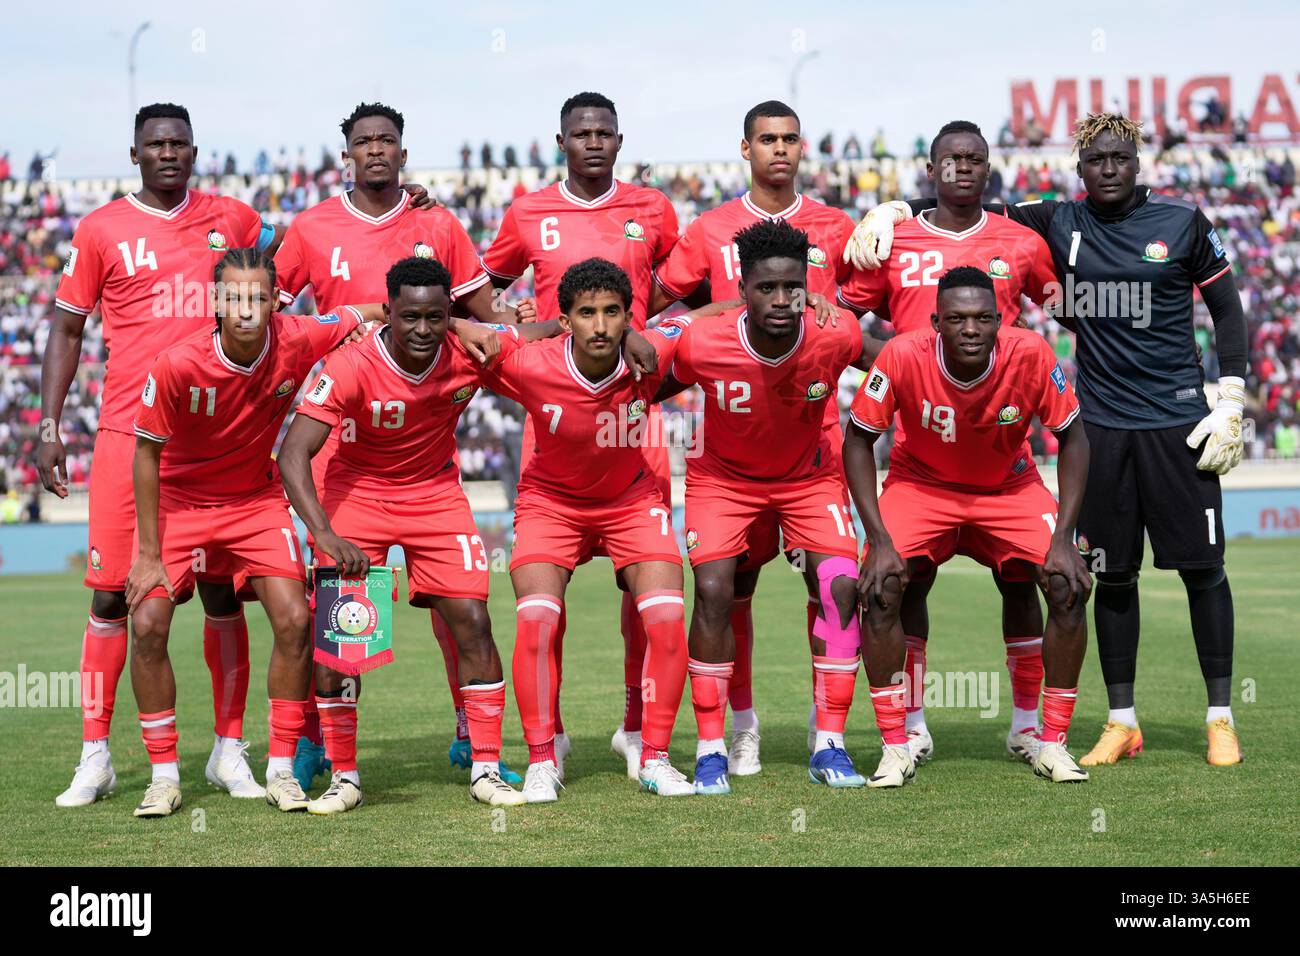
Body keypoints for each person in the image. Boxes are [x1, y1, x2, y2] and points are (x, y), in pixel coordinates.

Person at [846, 113, 1251, 767]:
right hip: (1028, 439)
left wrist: (1230, 396)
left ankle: (1204, 718)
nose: (1108, 168)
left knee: (1175, 572)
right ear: (1080, 168)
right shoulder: (1053, 221)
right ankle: (1108, 721)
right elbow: (952, 206)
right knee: (1104, 576)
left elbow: (1224, 308)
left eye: (1119, 157)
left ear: (1137, 160)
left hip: (1153, 422)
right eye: (1095, 160)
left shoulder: (1160, 223)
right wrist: (894, 211)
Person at [38, 103, 279, 808]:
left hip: (222, 440)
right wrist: (50, 425)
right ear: (135, 153)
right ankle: (95, 756)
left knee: (221, 593)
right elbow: (66, 327)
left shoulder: (234, 220)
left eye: (180, 144)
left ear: (196, 151)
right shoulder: (102, 228)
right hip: (129, 435)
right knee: (115, 595)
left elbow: (293, 253)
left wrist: (395, 200)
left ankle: (229, 752)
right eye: (156, 145)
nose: (169, 153)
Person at [273, 101, 518, 788]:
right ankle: (317, 742)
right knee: (339, 614)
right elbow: (267, 300)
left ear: (403, 152)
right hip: (341, 438)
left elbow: (481, 315)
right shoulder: (312, 226)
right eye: (363, 142)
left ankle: (473, 729)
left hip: (424, 433)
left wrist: (512, 323)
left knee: (456, 608)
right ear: (345, 153)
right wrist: (334, 332)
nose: (375, 150)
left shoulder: (436, 222)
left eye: (387, 141)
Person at [123, 248, 381, 816]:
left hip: (255, 501)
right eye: (234, 298)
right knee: (145, 623)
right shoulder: (177, 364)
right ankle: (164, 775)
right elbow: (145, 454)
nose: (246, 309)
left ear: (274, 302)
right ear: (216, 301)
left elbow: (369, 313)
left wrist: (462, 321)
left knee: (294, 618)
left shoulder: (299, 336)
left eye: (258, 298)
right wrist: (146, 554)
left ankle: (282, 770)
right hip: (181, 503)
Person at [838, 120, 1061, 764]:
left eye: (974, 159)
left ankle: (1027, 726)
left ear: (988, 170)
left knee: (1023, 584)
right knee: (903, 587)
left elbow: (1068, 308)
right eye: (950, 159)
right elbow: (838, 323)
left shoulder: (1020, 242)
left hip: (1004, 453)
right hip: (919, 456)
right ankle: (910, 725)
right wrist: (900, 367)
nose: (963, 168)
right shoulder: (894, 236)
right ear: (931, 167)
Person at [652, 99, 858, 776]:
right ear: (745, 148)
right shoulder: (710, 230)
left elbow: (878, 329)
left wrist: (897, 213)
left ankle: (828, 735)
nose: (779, 149)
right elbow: (653, 314)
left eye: (789, 139)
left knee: (834, 584)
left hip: (812, 449)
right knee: (723, 590)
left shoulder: (835, 226)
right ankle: (731, 733)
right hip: (728, 458)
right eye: (765, 139)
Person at [481, 91, 680, 776]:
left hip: (634, 437)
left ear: (619, 141)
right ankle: (544, 743)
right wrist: (534, 330)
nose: (592, 142)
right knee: (538, 613)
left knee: (649, 603)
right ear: (559, 141)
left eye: (603, 133)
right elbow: (476, 294)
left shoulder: (653, 209)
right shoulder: (527, 211)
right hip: (554, 424)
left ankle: (638, 731)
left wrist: (646, 338)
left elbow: (690, 287)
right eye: (580, 133)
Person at [843, 266, 1092, 786]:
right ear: (936, 322)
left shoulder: (1031, 354)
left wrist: (1065, 538)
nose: (971, 329)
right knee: (884, 585)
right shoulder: (901, 355)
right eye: (957, 319)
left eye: (983, 318)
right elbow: (858, 439)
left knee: (1067, 583)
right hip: (922, 486)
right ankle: (898, 741)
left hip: (1009, 487)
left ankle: (1045, 737)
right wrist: (880, 540)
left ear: (1000, 320)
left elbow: (1074, 437)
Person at [478, 258, 693, 800]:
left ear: (628, 317)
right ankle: (543, 759)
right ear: (567, 320)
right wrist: (530, 326)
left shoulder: (650, 358)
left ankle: (656, 756)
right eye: (586, 313)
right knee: (537, 624)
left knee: (667, 617)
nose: (600, 325)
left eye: (613, 313)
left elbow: (713, 314)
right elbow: (454, 328)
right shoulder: (531, 363)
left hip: (630, 499)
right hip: (551, 504)